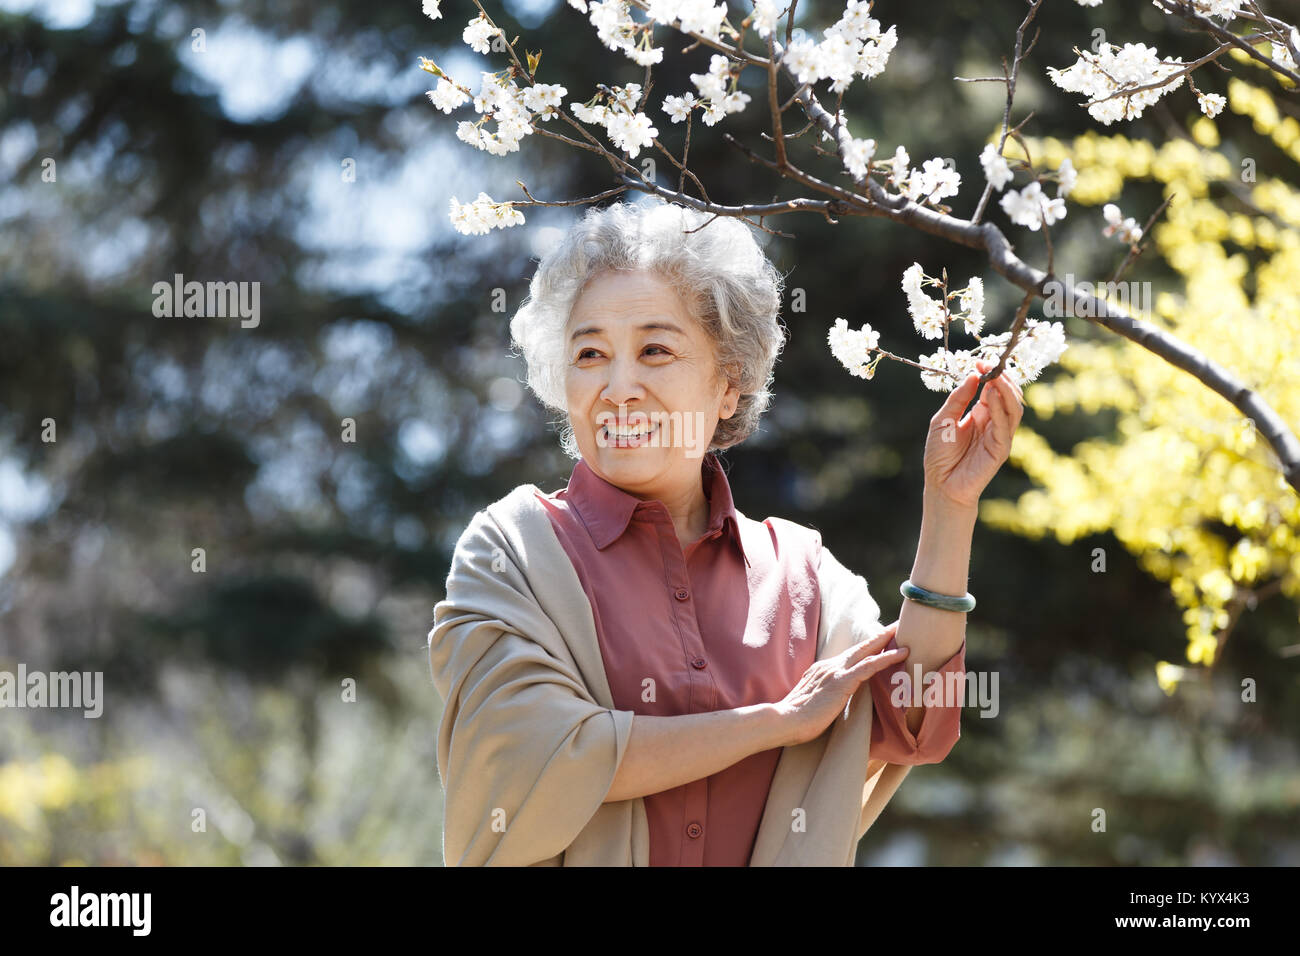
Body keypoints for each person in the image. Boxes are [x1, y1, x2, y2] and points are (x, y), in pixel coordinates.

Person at [428, 196, 1024, 866]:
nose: (619, 386)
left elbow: (919, 721)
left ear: (729, 385)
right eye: (590, 354)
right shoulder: (513, 550)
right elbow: (532, 759)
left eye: (655, 349)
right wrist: (772, 724)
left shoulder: (805, 576)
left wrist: (949, 507)